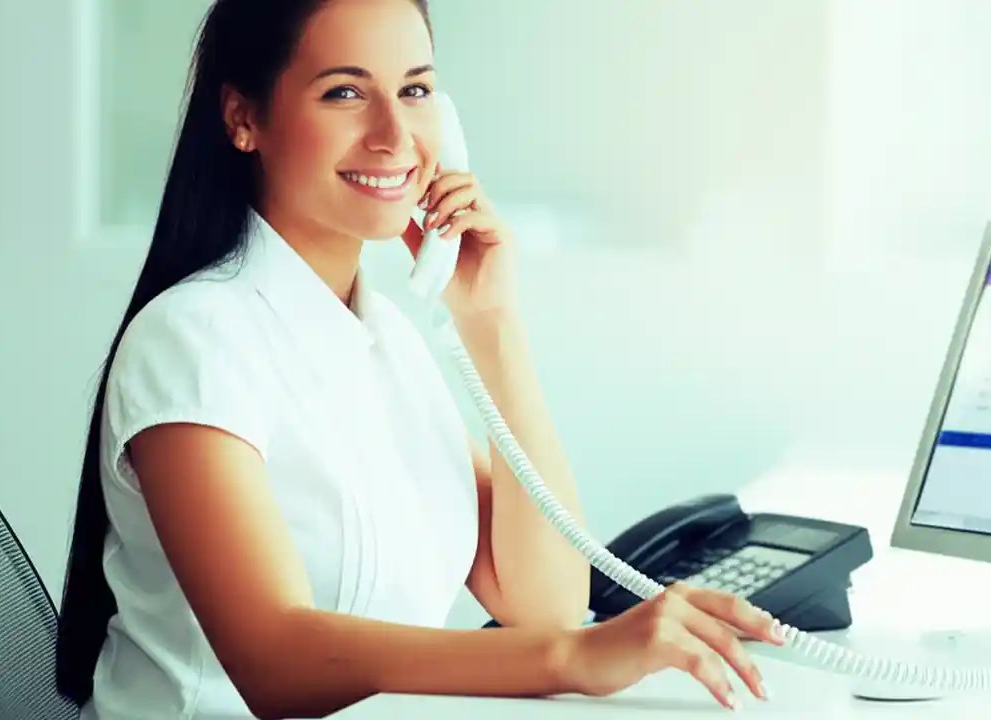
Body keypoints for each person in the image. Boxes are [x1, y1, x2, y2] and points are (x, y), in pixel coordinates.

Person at [54, 0, 783, 717]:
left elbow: (547, 603)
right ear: (245, 118)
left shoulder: (387, 341)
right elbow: (276, 661)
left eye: (415, 90)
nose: (395, 134)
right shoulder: (193, 340)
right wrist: (577, 660)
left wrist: (490, 321)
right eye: (345, 92)